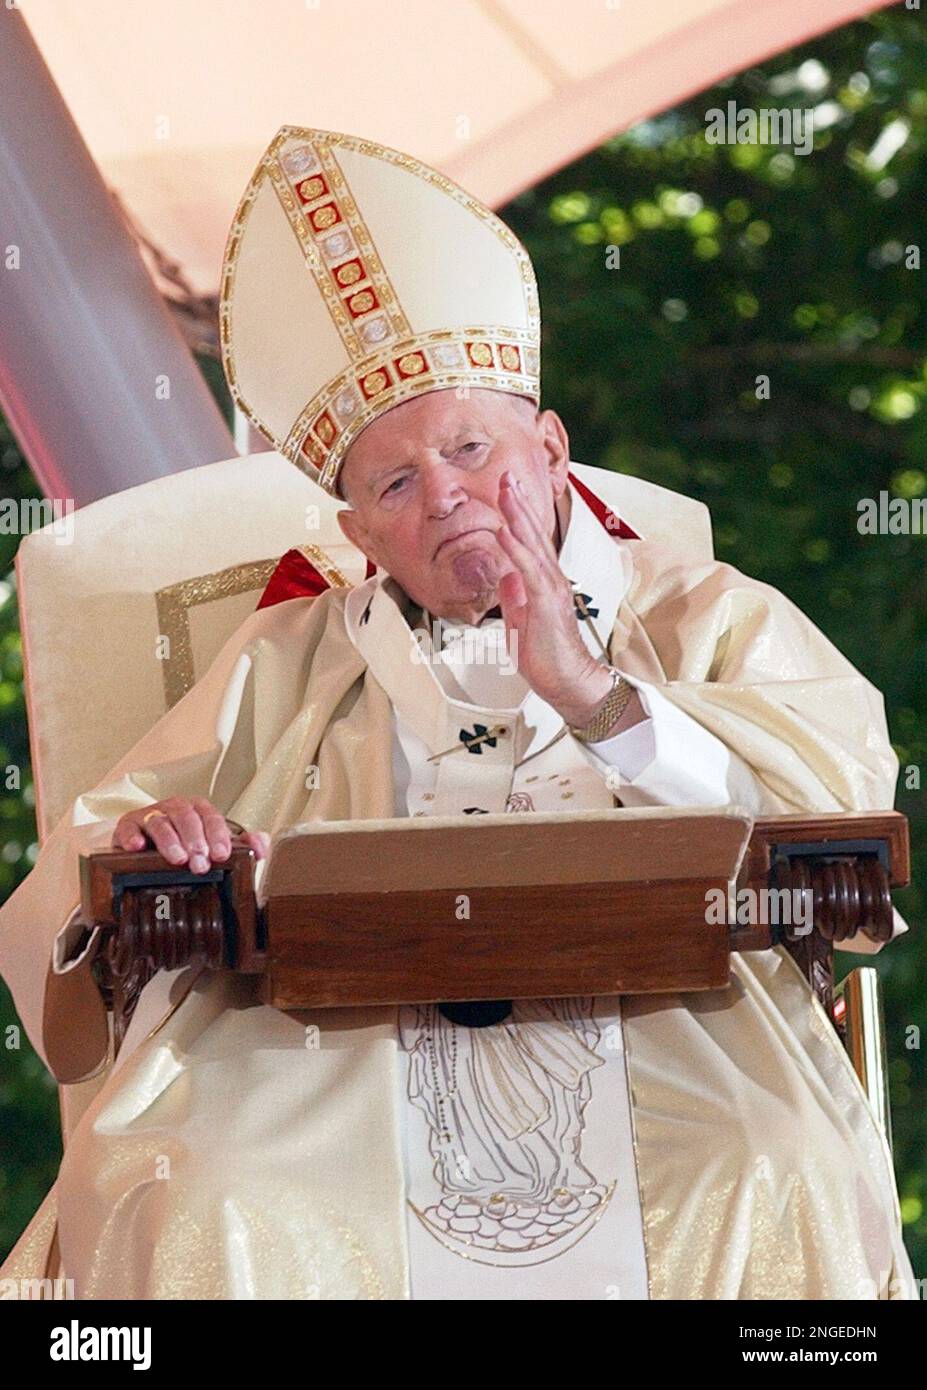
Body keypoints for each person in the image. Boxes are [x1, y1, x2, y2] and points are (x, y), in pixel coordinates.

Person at [0, 126, 915, 1299]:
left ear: (549, 448)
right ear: (359, 535)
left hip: (672, 1021)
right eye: (395, 484)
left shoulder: (706, 616)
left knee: (782, 1164)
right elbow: (89, 859)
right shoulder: (284, 656)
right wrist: (156, 839)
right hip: (329, 1045)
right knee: (204, 1190)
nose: (446, 497)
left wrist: (592, 691)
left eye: (472, 449)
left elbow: (834, 814)